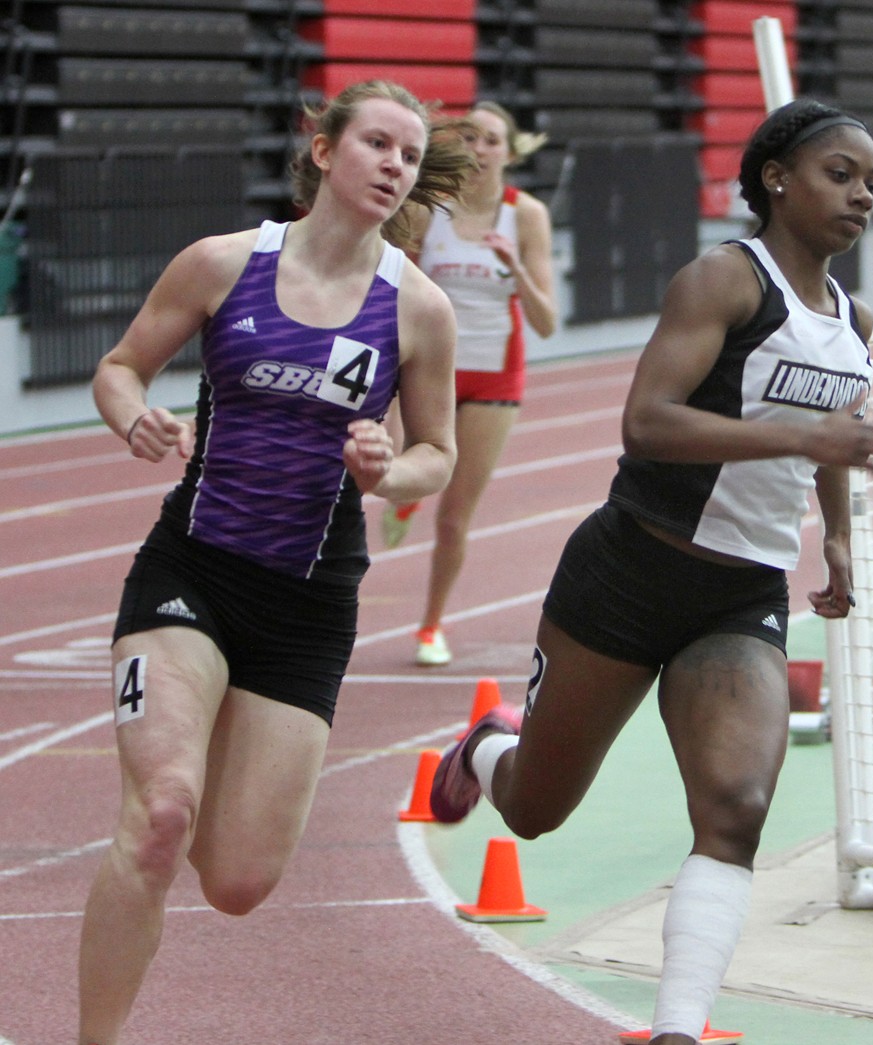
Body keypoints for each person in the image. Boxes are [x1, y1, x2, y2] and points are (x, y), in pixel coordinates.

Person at [427, 97, 873, 1045]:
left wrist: (837, 533)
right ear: (777, 177)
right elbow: (646, 420)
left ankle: (677, 1026)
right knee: (533, 811)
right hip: (630, 574)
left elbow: (830, 440)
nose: (860, 196)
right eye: (838, 174)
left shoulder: (856, 322)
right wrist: (805, 433)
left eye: (872, 184)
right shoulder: (723, 281)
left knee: (737, 805)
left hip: (739, 598)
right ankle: (486, 744)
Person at [82, 80, 471, 1045]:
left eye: (410, 157)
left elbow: (439, 452)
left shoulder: (417, 309)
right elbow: (120, 365)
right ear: (325, 148)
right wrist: (136, 415)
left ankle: (210, 738)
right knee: (161, 814)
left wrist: (389, 472)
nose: (394, 166)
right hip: (193, 571)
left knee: (239, 881)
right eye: (378, 143)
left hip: (308, 603)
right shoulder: (223, 263)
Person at [380, 102, 559, 667]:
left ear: (509, 152)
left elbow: (548, 321)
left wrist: (517, 269)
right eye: (470, 138)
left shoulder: (525, 216)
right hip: (429, 370)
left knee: (455, 513)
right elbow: (394, 294)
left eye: (491, 140)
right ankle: (406, 501)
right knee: (407, 481)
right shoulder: (428, 210)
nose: (480, 149)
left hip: (495, 375)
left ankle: (431, 626)